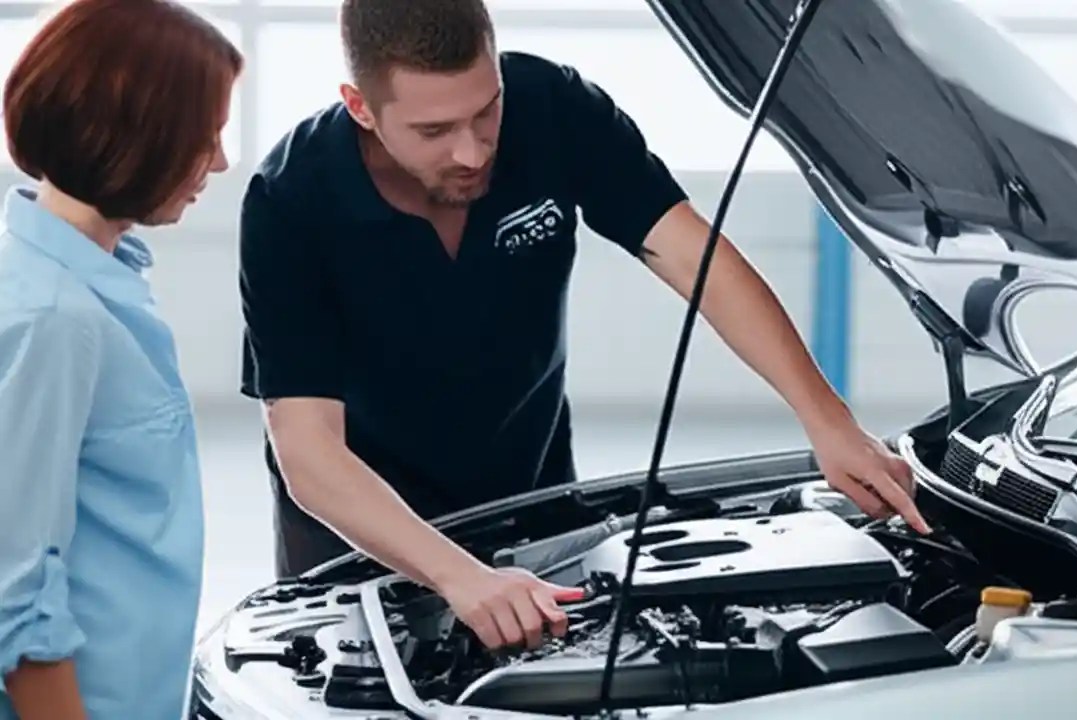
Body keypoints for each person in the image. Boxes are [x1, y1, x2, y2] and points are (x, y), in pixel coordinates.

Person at [239, 0, 929, 652]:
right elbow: (310, 452)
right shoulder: (290, 201)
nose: (473, 152)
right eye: (434, 132)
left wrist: (828, 420)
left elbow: (698, 260)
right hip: (359, 532)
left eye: (486, 111)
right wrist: (460, 576)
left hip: (531, 497)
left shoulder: (553, 108)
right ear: (360, 106)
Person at [0, 1, 241, 718]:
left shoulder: (81, 276)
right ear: (136, 132)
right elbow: (14, 591)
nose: (220, 162)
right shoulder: (54, 318)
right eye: (205, 136)